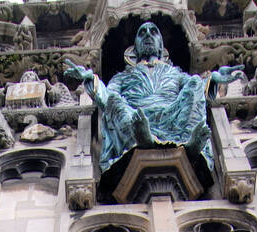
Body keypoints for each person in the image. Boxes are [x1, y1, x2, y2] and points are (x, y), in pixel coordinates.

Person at [66, 22, 215, 173]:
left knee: (195, 82)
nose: (148, 35)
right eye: (142, 33)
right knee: (113, 99)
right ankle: (139, 141)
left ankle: (188, 144)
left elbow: (196, 89)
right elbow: (106, 96)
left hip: (174, 119)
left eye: (153, 32)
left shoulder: (175, 73)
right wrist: (90, 78)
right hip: (137, 119)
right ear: (135, 48)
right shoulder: (123, 77)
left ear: (160, 46)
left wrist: (214, 79)